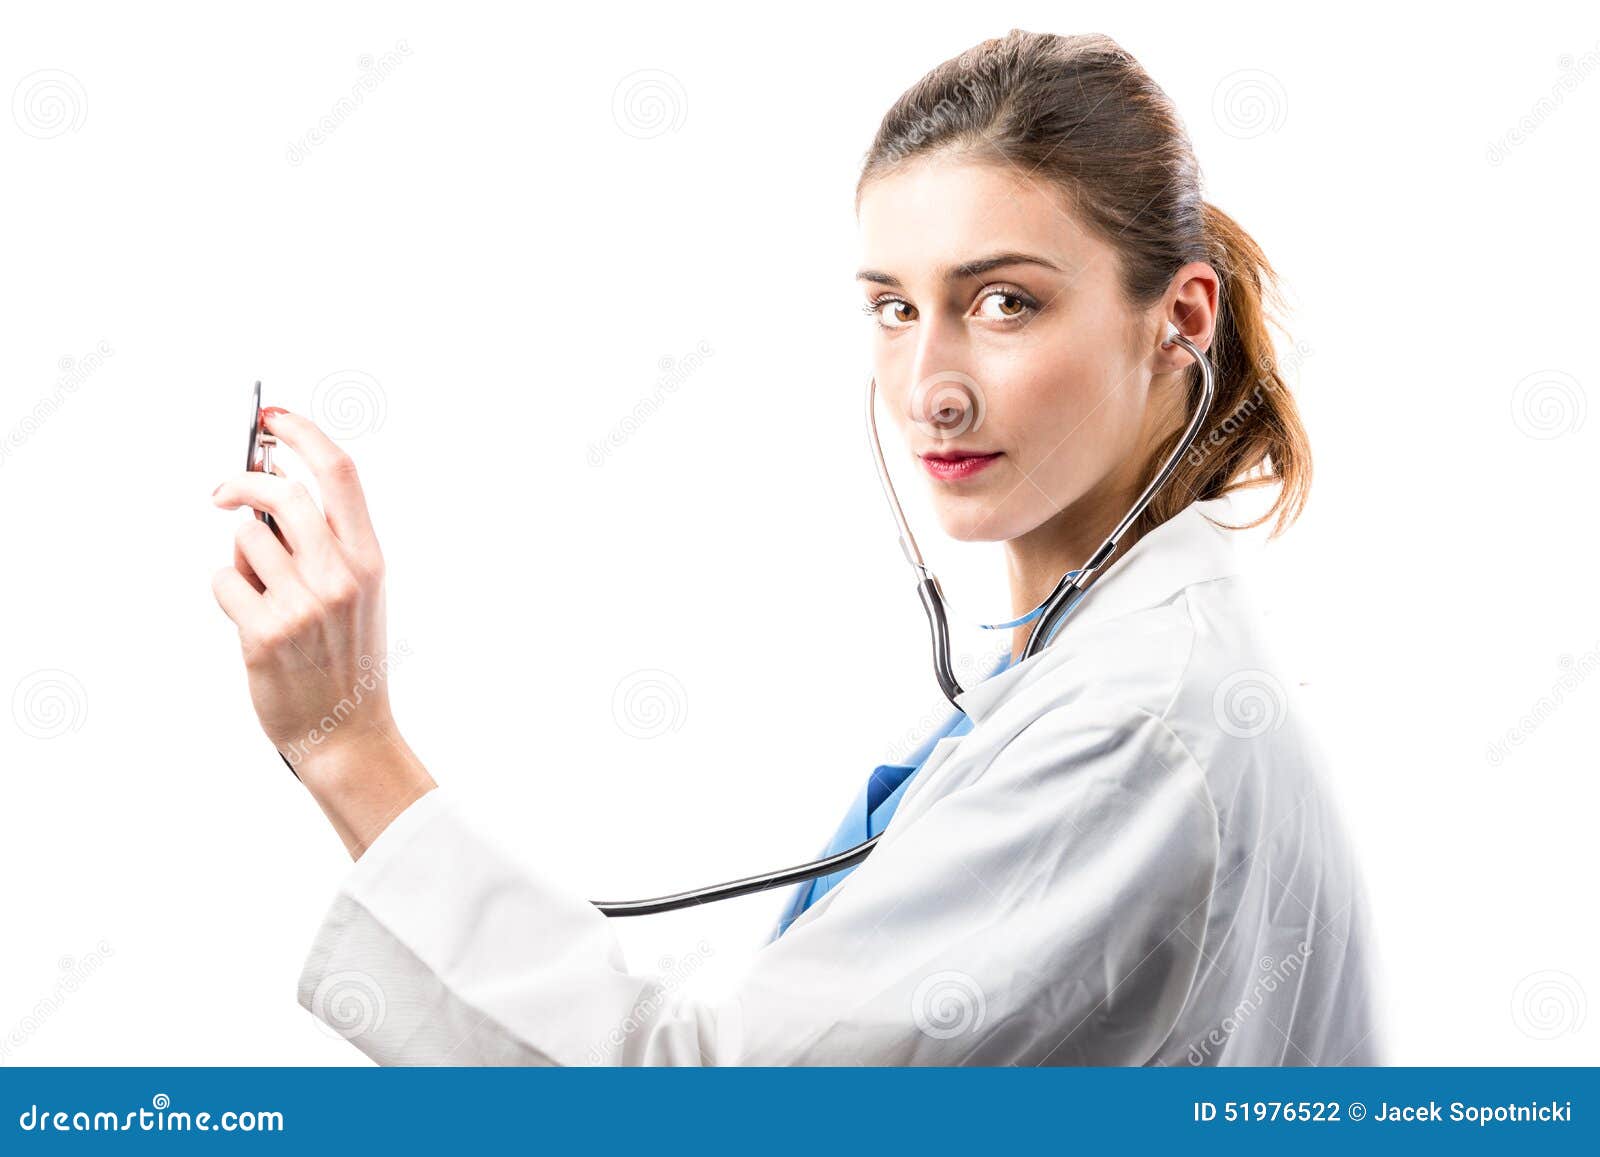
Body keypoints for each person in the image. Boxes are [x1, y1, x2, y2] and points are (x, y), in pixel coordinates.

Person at [209, 29, 1382, 1065]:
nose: (932, 389)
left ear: (1178, 319)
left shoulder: (1129, 731)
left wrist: (343, 738)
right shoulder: (1112, 672)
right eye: (894, 307)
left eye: (1004, 302)